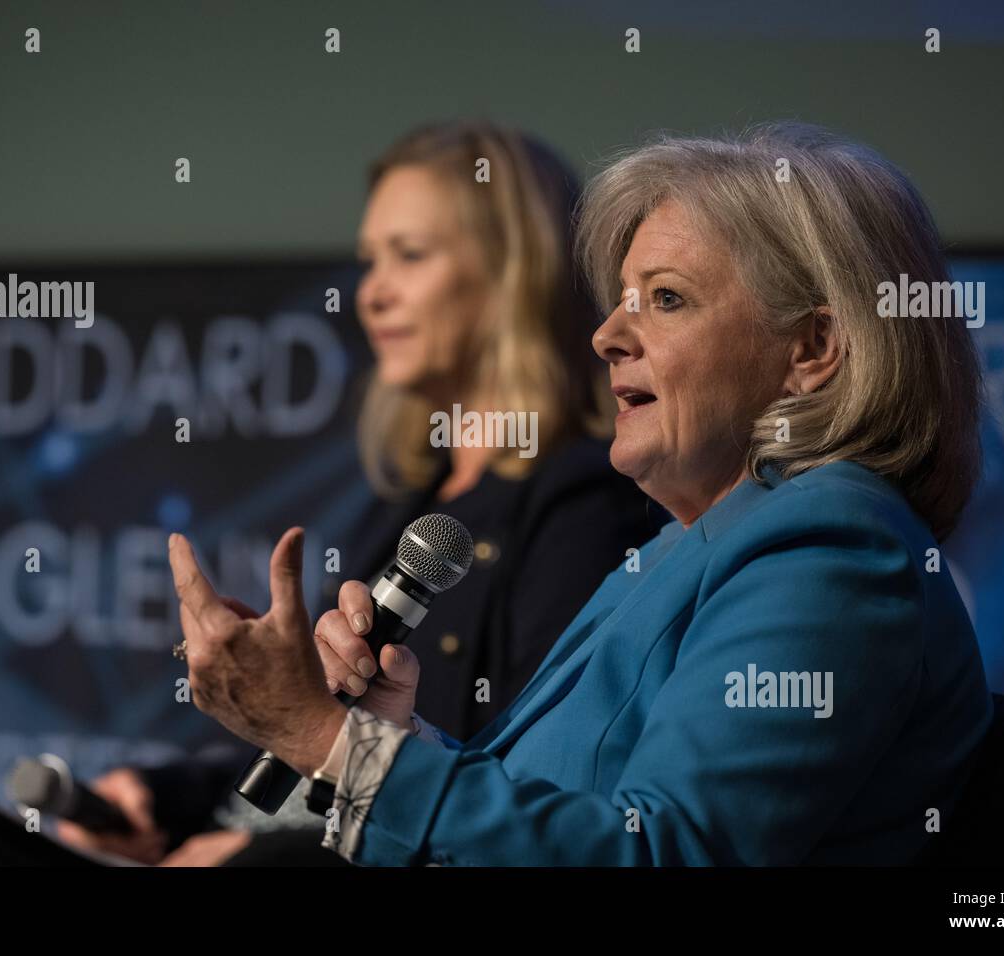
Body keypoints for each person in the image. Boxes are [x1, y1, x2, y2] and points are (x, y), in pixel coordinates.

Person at [168, 122, 995, 865]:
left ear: (812, 347)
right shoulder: (689, 542)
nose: (607, 334)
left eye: (666, 299)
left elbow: (665, 856)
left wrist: (329, 740)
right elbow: (544, 812)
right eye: (620, 301)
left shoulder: (827, 553)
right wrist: (390, 734)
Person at [58, 122, 662, 866]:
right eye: (369, 261)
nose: (372, 293)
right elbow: (325, 743)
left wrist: (250, 858)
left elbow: (511, 798)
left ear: (515, 272)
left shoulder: (586, 507)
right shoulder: (414, 501)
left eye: (409, 256)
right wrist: (165, 795)